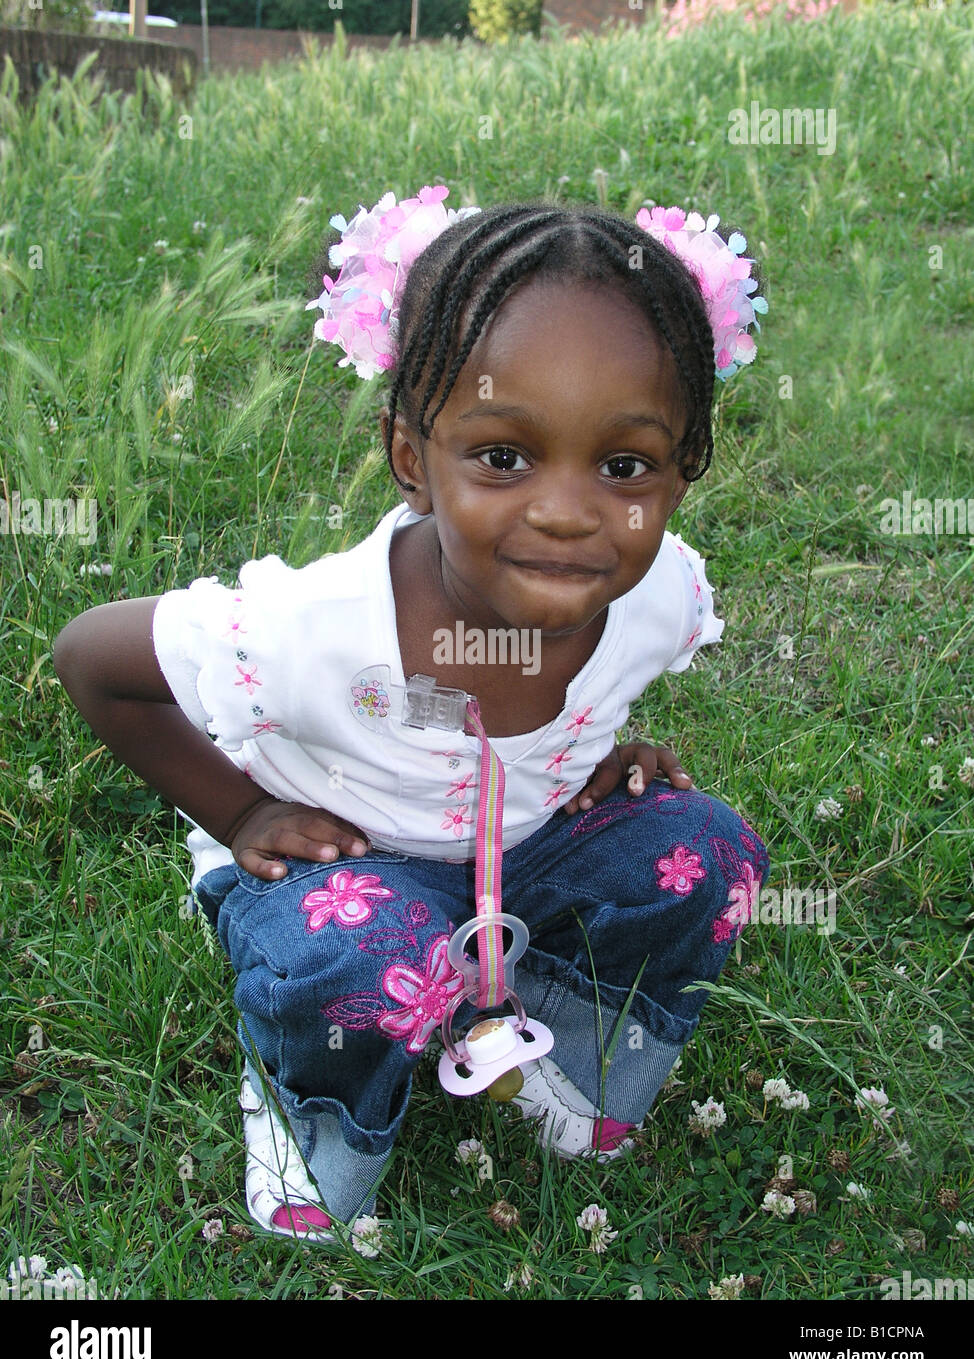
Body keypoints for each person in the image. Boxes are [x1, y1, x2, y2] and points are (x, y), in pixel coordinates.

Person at [53, 188, 770, 1244]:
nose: (568, 511)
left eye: (622, 466)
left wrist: (605, 748)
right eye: (502, 456)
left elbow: (601, 680)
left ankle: (563, 1029)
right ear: (409, 458)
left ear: (681, 470)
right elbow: (90, 660)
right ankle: (318, 1107)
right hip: (339, 873)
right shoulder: (312, 629)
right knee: (367, 949)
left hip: (513, 849)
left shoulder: (660, 593)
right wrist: (241, 814)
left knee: (705, 848)